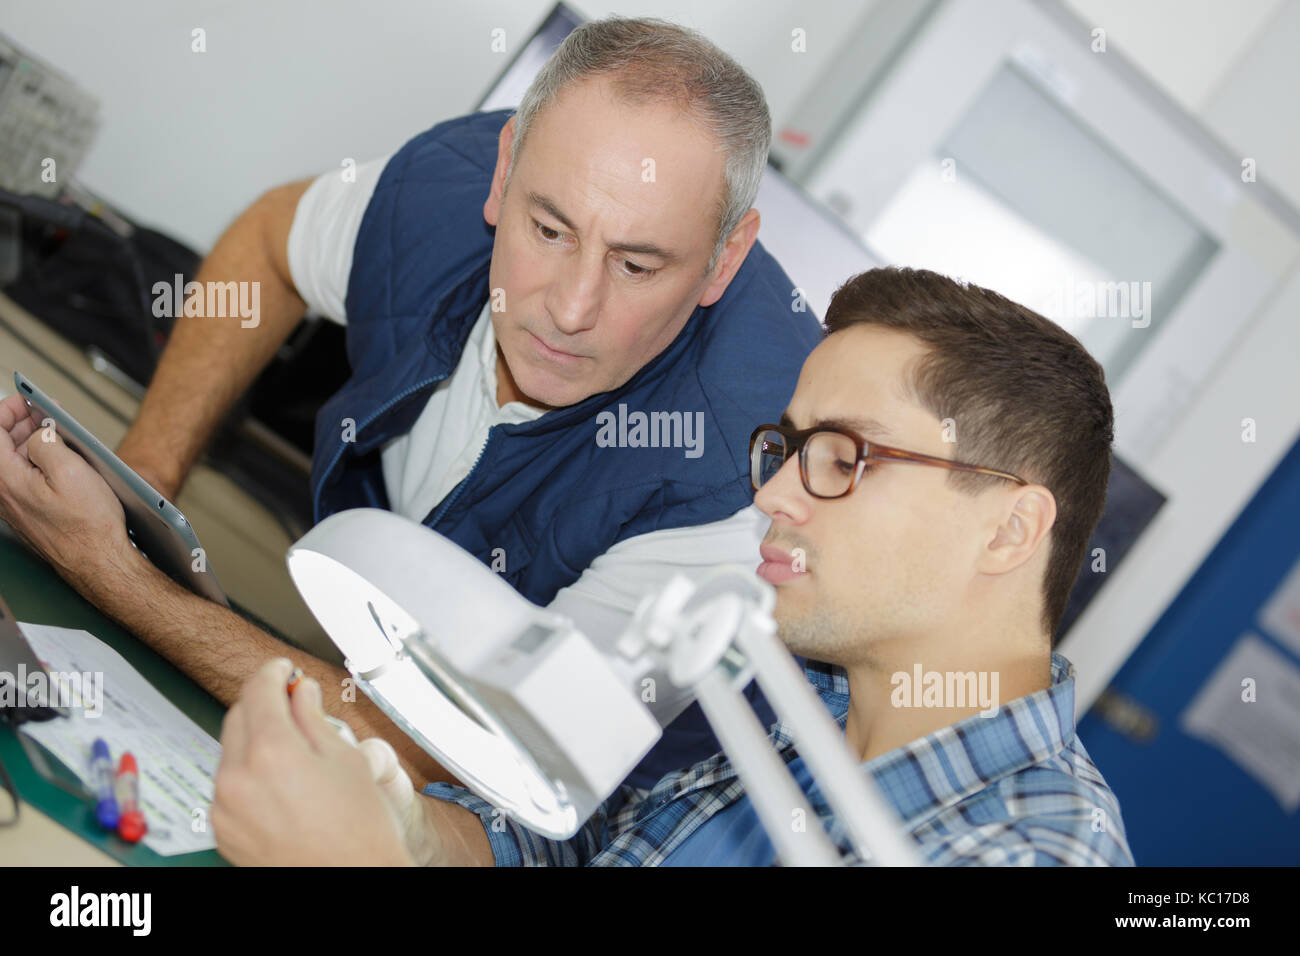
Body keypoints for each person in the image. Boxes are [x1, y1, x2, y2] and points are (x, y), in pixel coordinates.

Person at [0, 17, 822, 787]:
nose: (570, 309)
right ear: (504, 174)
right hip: (383, 642)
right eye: (549, 229)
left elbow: (468, 757)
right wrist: (139, 489)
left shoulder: (736, 487)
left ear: (723, 260)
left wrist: (114, 572)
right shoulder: (440, 193)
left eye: (637, 267)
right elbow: (268, 243)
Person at [210, 267, 1135, 866]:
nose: (774, 495)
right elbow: (589, 848)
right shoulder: (807, 715)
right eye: (788, 445)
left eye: (847, 456)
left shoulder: (1035, 852)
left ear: (1010, 532)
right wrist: (409, 838)